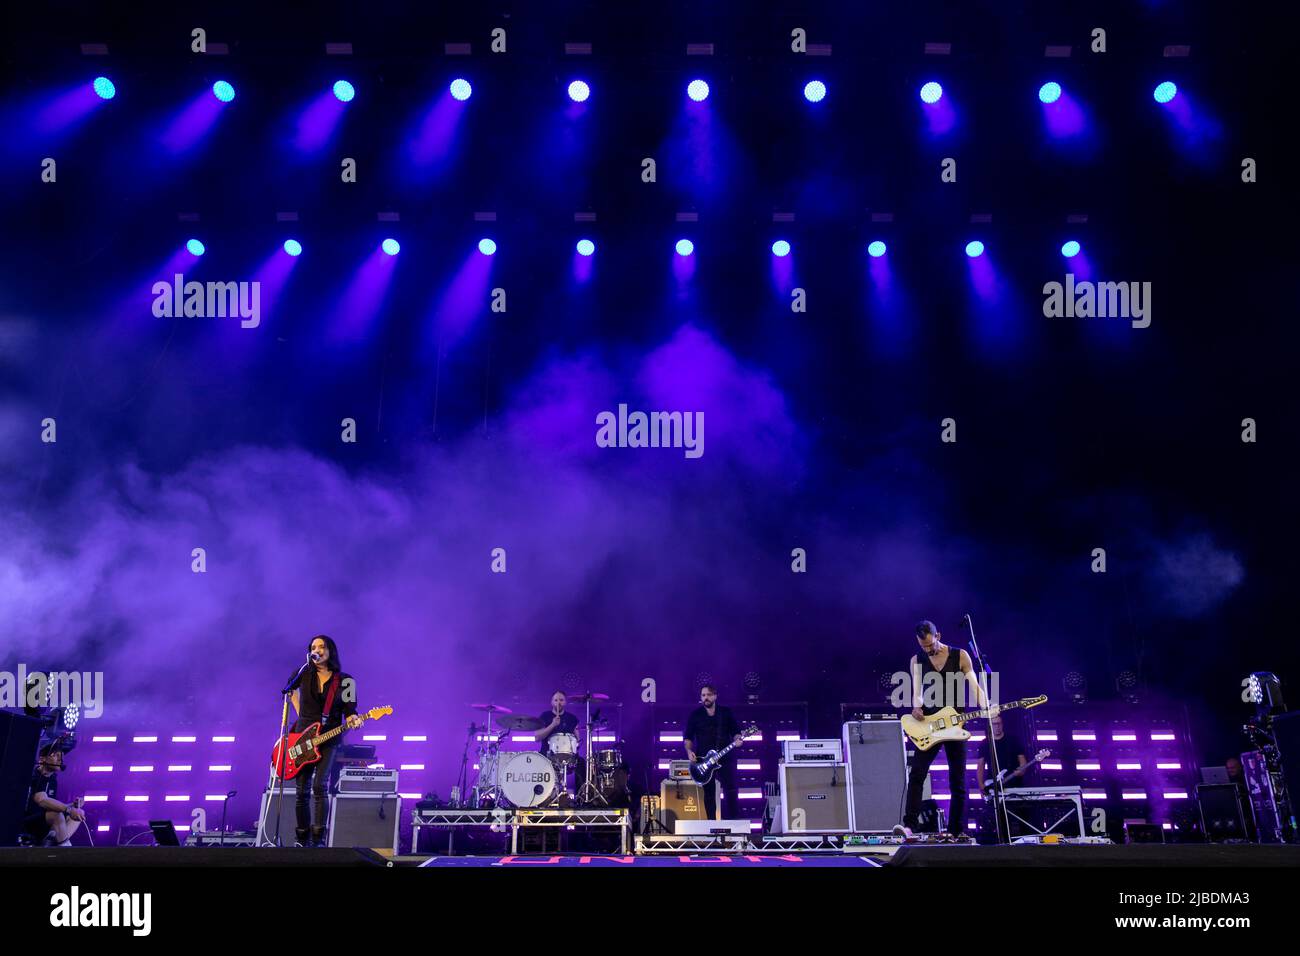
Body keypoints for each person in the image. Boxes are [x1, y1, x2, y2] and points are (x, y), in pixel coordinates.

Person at [902, 620, 997, 836]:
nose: (927, 650)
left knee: (958, 779)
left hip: (955, 724)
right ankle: (910, 826)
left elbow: (974, 684)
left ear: (938, 635)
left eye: (930, 645)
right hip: (930, 725)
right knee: (917, 773)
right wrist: (916, 706)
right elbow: (917, 690)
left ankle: (955, 830)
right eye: (922, 646)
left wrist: (985, 705)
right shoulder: (916, 660)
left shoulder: (960, 655)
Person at [289, 635, 363, 846]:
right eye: (314, 647)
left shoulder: (346, 680)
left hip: (330, 737)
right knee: (301, 789)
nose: (317, 650)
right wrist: (300, 714)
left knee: (320, 786)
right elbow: (289, 690)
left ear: (330, 651)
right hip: (303, 737)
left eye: (322, 647)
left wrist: (354, 719)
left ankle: (318, 838)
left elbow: (350, 711)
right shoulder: (302, 673)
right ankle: (301, 838)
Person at [684, 684, 743, 820]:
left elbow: (735, 732)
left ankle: (734, 823)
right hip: (704, 760)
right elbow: (688, 737)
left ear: (715, 696)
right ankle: (711, 823)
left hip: (725, 758)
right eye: (703, 695)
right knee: (709, 793)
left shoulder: (726, 712)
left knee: (731, 789)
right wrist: (689, 751)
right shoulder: (695, 715)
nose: (706, 698)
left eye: (709, 695)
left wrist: (738, 740)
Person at [23, 744, 85, 847]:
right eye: (55, 755)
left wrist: (72, 806)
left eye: (61, 756)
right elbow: (42, 800)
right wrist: (69, 809)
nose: (60, 759)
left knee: (79, 813)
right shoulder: (35, 776)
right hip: (28, 822)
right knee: (56, 814)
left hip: (44, 821)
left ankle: (58, 842)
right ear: (42, 759)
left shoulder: (52, 780)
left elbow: (53, 805)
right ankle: (65, 847)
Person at [977, 713, 1029, 794]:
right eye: (994, 724)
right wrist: (981, 785)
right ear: (990, 726)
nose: (997, 726)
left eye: (999, 724)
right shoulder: (985, 743)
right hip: (993, 784)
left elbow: (1022, 761)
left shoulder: (1013, 740)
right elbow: (980, 766)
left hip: (1013, 783)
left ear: (1002, 724)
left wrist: (1022, 770)